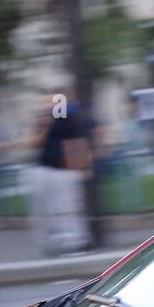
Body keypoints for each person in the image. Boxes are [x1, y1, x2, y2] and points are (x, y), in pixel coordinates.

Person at [28, 93, 95, 256]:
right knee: (51, 210)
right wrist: (43, 125)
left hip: (65, 171)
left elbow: (75, 140)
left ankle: (75, 243)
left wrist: (83, 166)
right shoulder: (44, 122)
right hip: (46, 168)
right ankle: (57, 244)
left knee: (68, 208)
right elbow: (35, 143)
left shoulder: (68, 118)